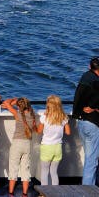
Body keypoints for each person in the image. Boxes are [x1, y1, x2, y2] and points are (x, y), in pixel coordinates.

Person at [1, 97, 35, 197]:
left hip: (17, 144)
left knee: (13, 168)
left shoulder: (17, 114)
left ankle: (11, 193)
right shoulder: (32, 115)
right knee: (25, 170)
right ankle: (25, 194)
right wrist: (19, 102)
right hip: (27, 144)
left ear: (19, 106)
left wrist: (14, 99)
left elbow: (6, 102)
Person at [73, 56, 99, 185]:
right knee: (92, 159)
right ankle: (88, 190)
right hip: (92, 124)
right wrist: (95, 109)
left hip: (81, 121)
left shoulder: (85, 77)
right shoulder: (96, 81)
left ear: (90, 67)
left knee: (90, 156)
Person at [36, 94, 71, 186]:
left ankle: (44, 193)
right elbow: (68, 132)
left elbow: (39, 131)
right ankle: (55, 193)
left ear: (48, 105)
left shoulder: (44, 117)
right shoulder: (64, 117)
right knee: (54, 172)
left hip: (47, 147)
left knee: (44, 172)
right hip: (58, 147)